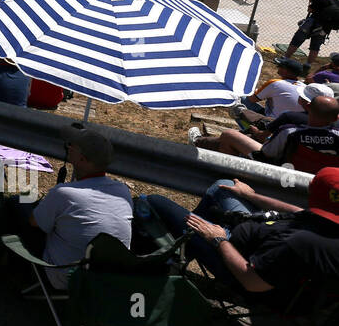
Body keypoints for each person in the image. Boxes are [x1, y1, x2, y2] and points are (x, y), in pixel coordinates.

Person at [139, 169, 339, 309]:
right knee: (222, 187)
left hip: (237, 265)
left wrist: (218, 240)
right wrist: (251, 195)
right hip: (255, 239)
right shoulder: (327, 225)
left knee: (152, 201)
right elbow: (298, 212)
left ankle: (167, 263)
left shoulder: (299, 243)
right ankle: (178, 255)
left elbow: (252, 282)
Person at [24, 124, 133, 289]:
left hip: (67, 278)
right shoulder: (122, 191)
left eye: (71, 146)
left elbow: (34, 222)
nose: (68, 148)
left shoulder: (65, 193)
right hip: (110, 278)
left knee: (20, 207)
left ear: (82, 159)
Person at [192, 92, 339, 169]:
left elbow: (266, 153)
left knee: (229, 135)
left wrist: (266, 138)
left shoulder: (289, 131)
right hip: (319, 178)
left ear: (308, 110)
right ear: (335, 118)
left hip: (281, 172)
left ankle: (226, 175)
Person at [284, 0, 339, 67]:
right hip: (324, 29)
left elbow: (310, 10)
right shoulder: (337, 4)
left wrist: (311, 2)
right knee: (315, 47)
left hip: (311, 24)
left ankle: (286, 58)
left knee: (296, 41)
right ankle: (308, 65)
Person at [243, 58, 308, 120]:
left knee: (241, 98)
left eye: (280, 66)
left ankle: (248, 128)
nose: (278, 67)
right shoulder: (305, 87)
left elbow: (252, 99)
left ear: (285, 71)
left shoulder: (275, 83)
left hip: (272, 122)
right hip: (295, 123)